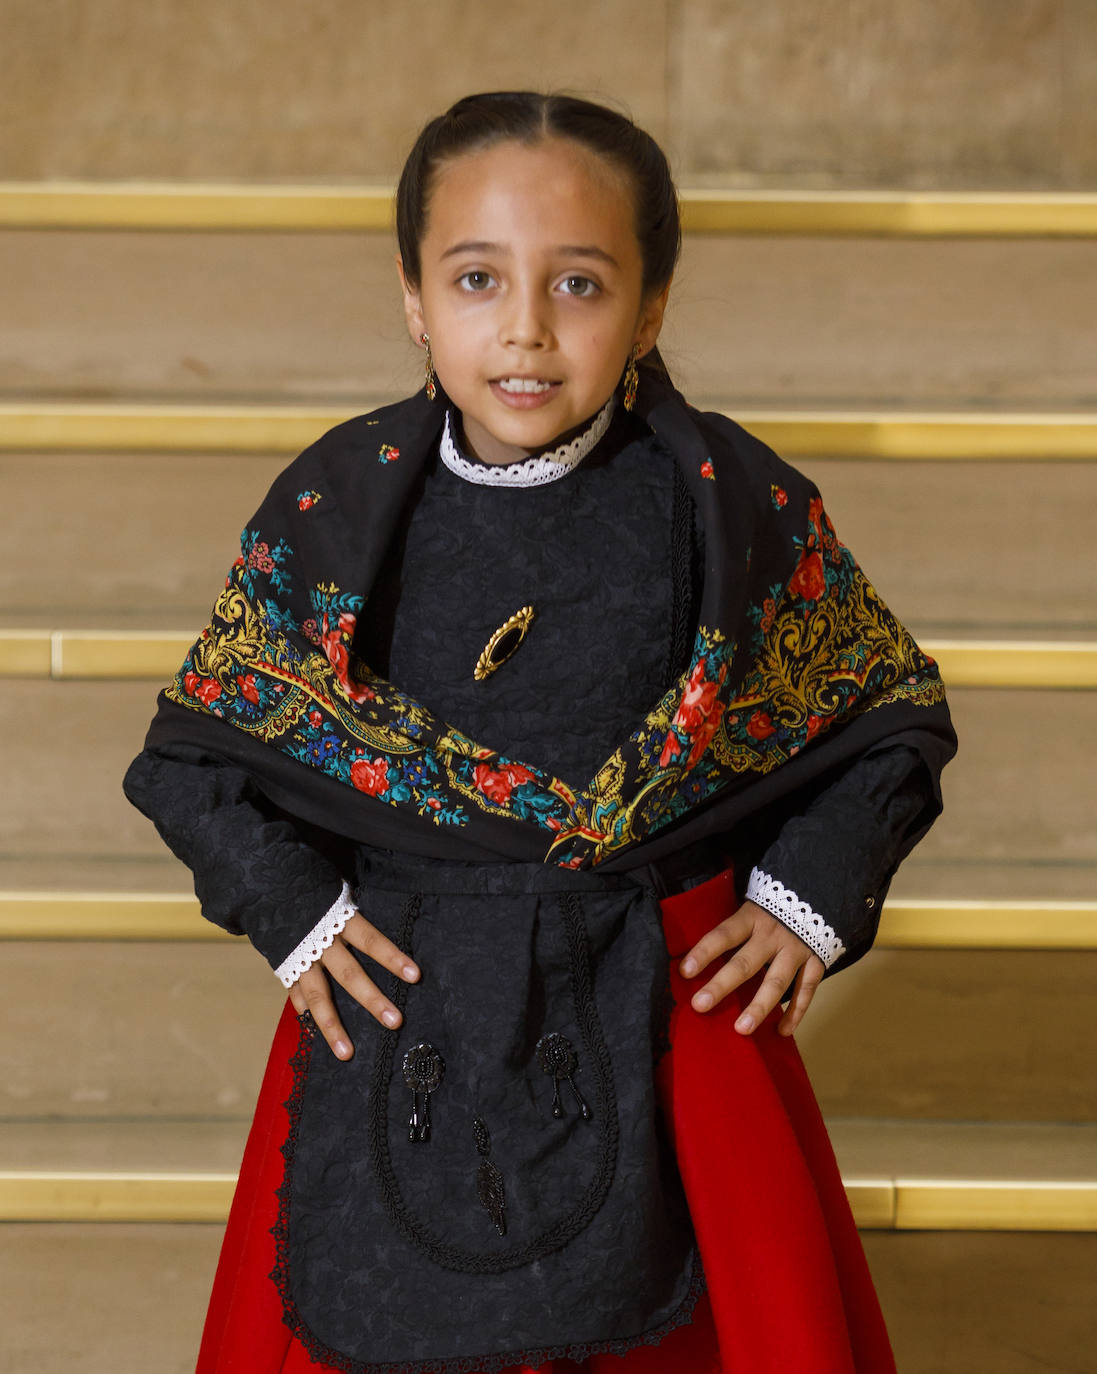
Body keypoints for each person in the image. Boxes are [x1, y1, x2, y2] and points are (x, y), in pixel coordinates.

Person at [124, 91, 956, 1374]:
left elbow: (883, 713)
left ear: (651, 307)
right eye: (474, 278)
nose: (522, 328)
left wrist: (804, 900)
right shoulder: (338, 511)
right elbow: (195, 754)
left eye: (578, 283)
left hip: (672, 1027)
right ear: (412, 297)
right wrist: (295, 913)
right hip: (398, 1018)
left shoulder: (729, 509)